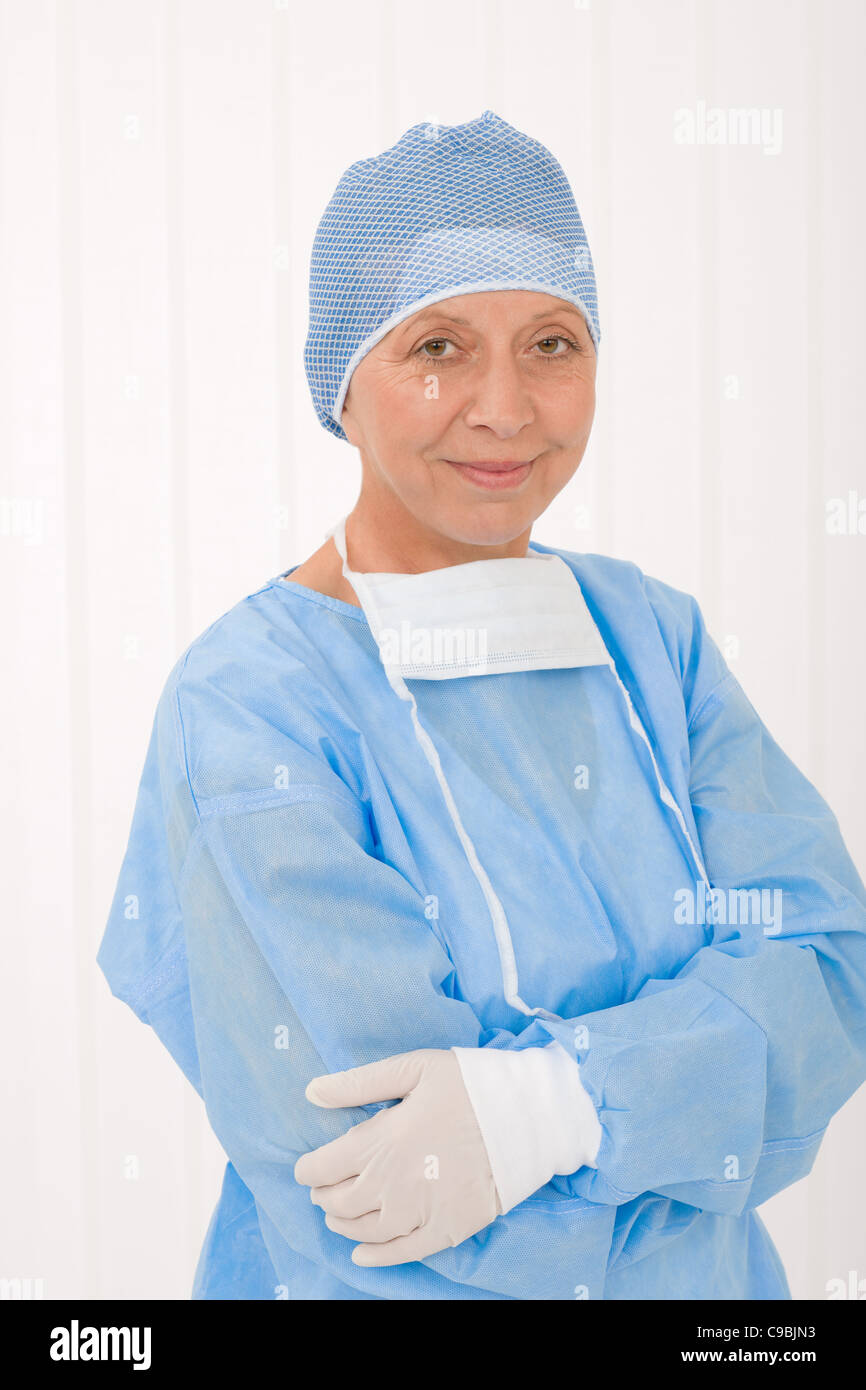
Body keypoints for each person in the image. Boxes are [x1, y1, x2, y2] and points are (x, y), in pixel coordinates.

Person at [98, 110, 866, 1301]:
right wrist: (681, 1092)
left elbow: (824, 972)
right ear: (339, 379)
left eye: (551, 343)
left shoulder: (650, 639)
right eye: (438, 347)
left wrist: (552, 1108)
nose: (504, 408)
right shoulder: (252, 707)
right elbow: (382, 1198)